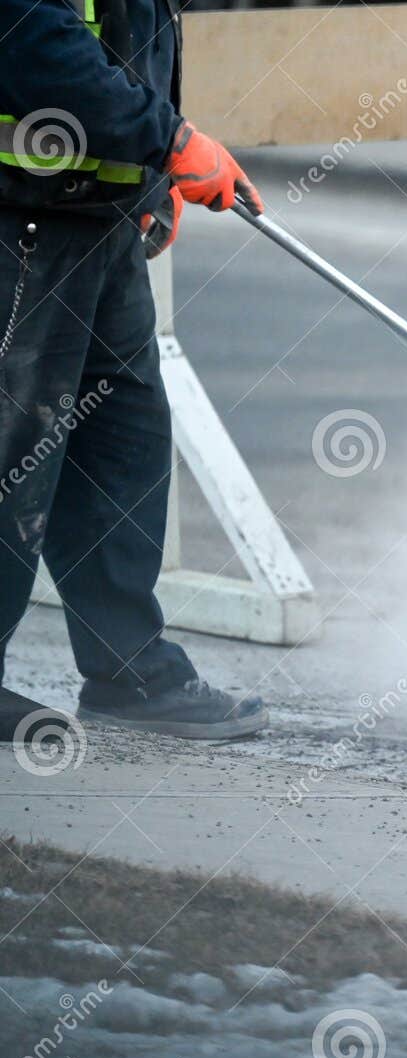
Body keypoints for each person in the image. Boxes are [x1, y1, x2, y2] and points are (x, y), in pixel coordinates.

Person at [0, 0, 269, 739]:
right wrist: (171, 140)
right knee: (13, 454)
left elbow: (137, 40)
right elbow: (34, 46)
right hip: (22, 215)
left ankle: (130, 671)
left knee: (123, 443)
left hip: (98, 217)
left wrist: (149, 176)